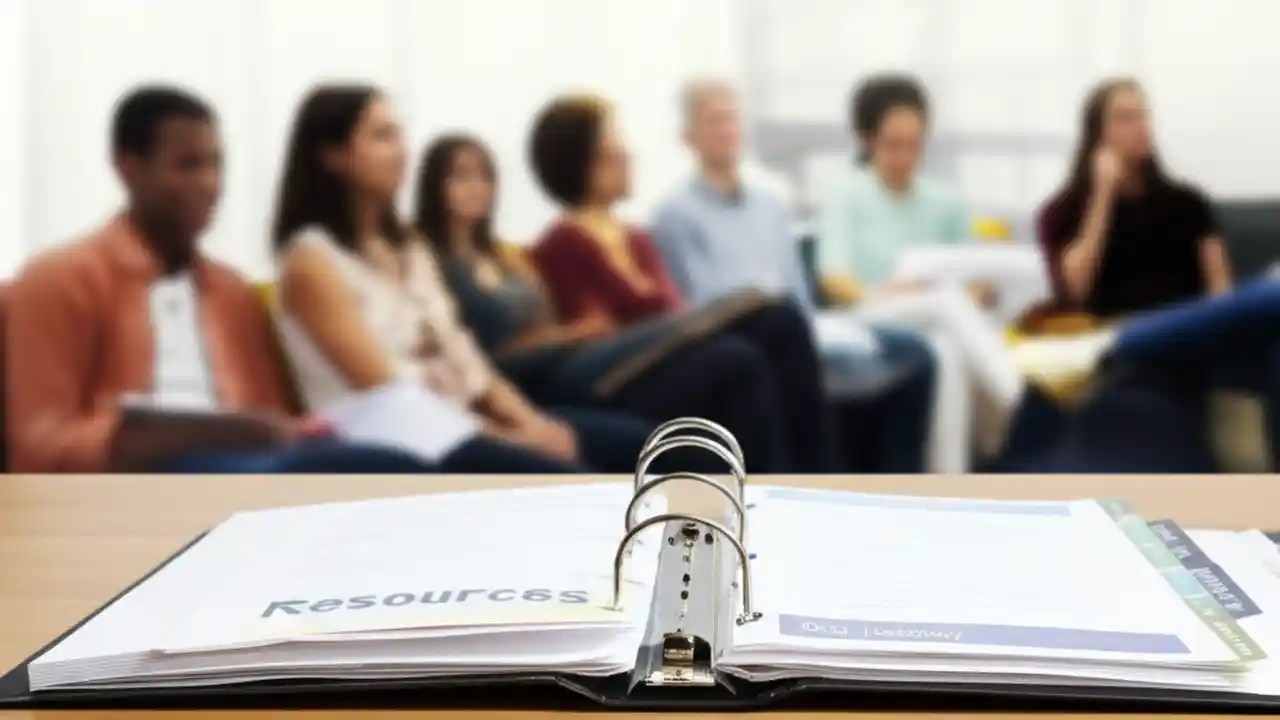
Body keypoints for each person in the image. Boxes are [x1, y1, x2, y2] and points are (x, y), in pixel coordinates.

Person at [4, 86, 435, 474]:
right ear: (129, 167)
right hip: (143, 480)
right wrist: (147, 438)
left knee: (397, 465)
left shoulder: (230, 292)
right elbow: (39, 445)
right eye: (188, 166)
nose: (210, 184)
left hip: (248, 467)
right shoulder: (59, 280)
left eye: (216, 165)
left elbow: (268, 417)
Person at [271, 85, 662, 475]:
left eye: (399, 135)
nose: (402, 151)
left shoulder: (407, 248)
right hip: (393, 444)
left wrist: (531, 424)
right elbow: (387, 390)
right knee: (583, 485)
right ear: (333, 156)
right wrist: (502, 438)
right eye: (382, 137)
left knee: (656, 446)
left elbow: (463, 355)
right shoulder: (311, 260)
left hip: (461, 423)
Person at [414, 134, 794, 473]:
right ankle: (708, 320)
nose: (476, 187)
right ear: (434, 186)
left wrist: (569, 333)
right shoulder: (430, 261)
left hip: (569, 355)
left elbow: (550, 320)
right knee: (721, 347)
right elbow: (470, 354)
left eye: (484, 176)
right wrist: (567, 335)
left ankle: (780, 485)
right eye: (460, 176)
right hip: (523, 377)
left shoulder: (507, 257)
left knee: (744, 347)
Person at [527, 94, 839, 473]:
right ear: (580, 163)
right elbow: (599, 332)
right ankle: (766, 488)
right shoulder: (561, 244)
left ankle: (818, 478)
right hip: (625, 376)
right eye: (611, 151)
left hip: (669, 354)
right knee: (738, 359)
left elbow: (673, 309)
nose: (627, 156)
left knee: (781, 323)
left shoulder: (636, 237)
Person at [649, 79, 934, 472]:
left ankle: (901, 483)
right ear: (688, 135)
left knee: (916, 353)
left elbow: (797, 286)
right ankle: (822, 474)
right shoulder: (675, 214)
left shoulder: (770, 203)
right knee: (780, 336)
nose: (727, 129)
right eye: (714, 120)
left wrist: (809, 325)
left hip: (801, 327)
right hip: (743, 334)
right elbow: (701, 305)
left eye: (732, 119)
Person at [814, 75, 1025, 472]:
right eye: (894, 145)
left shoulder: (944, 200)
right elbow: (833, 276)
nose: (905, 156)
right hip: (870, 311)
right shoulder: (847, 193)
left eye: (914, 145)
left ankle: (950, 479)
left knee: (948, 353)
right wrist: (886, 291)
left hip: (935, 320)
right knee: (943, 302)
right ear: (869, 141)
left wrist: (979, 291)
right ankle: (1015, 395)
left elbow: (972, 274)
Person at [1038, 78, 1233, 319]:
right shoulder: (1062, 211)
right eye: (1125, 118)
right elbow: (1076, 291)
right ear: (1097, 133)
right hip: (1109, 331)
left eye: (1143, 116)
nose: (1141, 127)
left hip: (1182, 327)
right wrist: (1103, 194)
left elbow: (1221, 291)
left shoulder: (1189, 203)